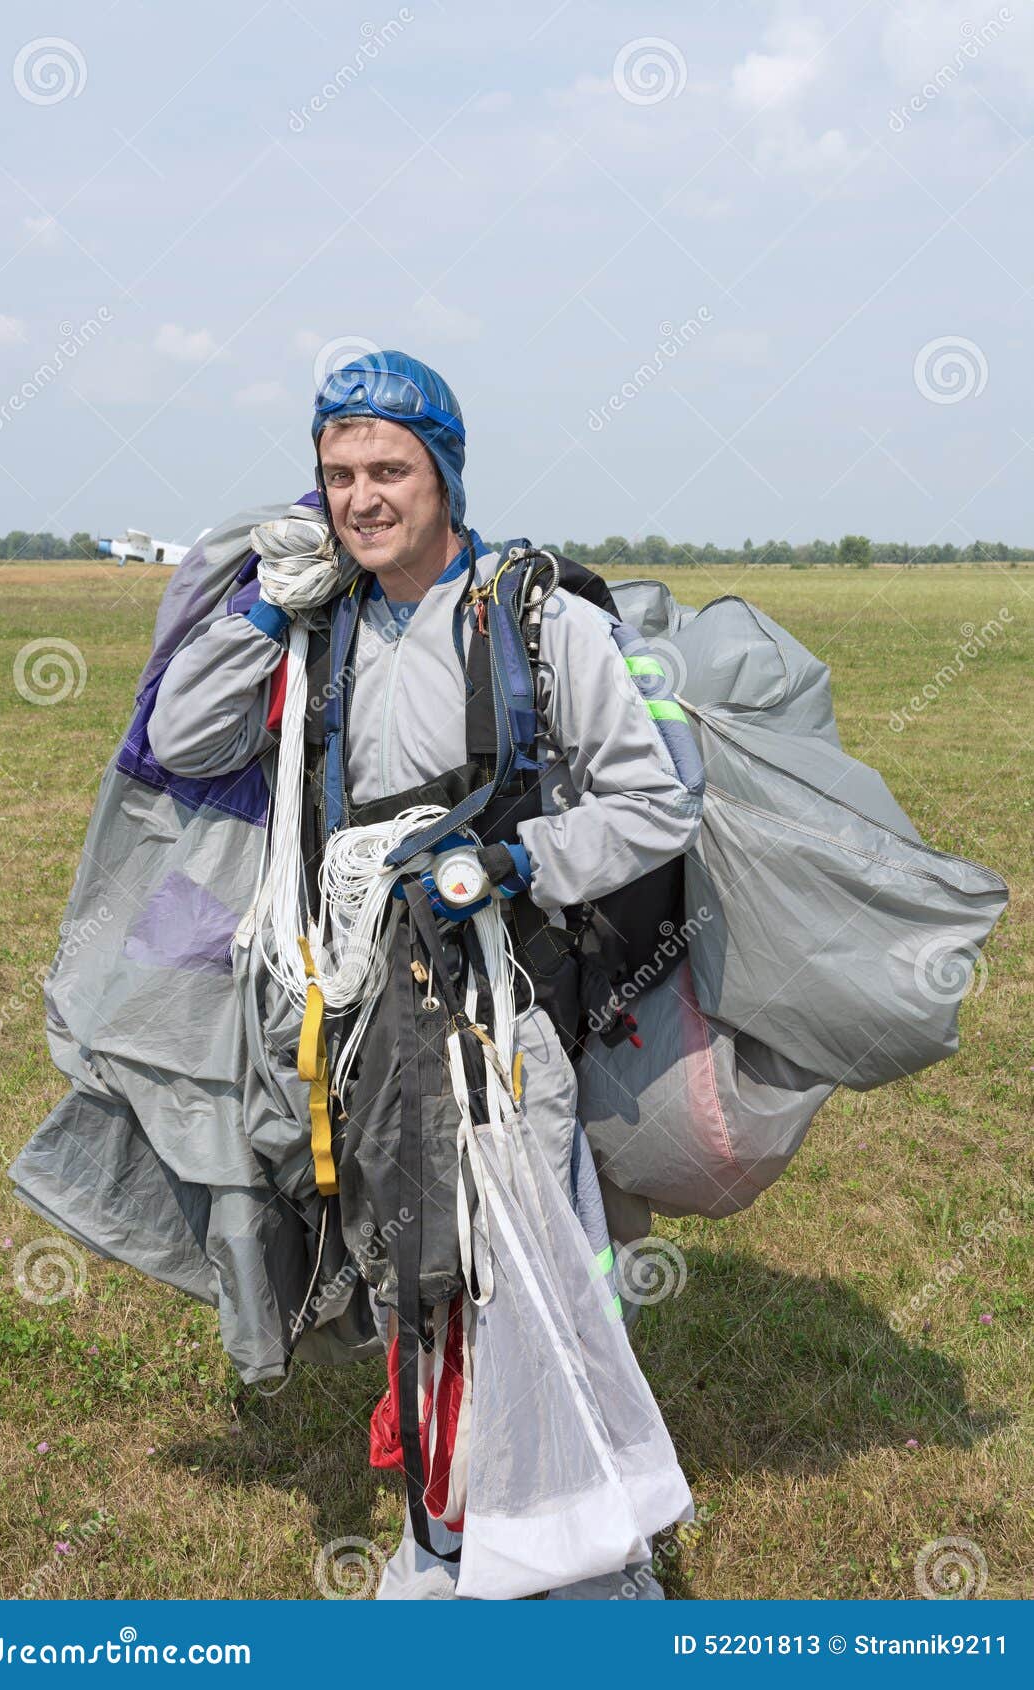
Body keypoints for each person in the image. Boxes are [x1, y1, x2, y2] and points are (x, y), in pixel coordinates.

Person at [147, 350, 702, 1598]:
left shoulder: (535, 619)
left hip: (500, 1009)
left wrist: (516, 861)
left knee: (532, 1268)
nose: (361, 496)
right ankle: (447, 1539)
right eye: (338, 473)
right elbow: (184, 739)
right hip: (361, 1023)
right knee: (412, 1275)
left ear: (443, 472)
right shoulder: (317, 623)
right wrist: (256, 609)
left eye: (388, 468)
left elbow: (654, 802)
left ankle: (593, 1566)